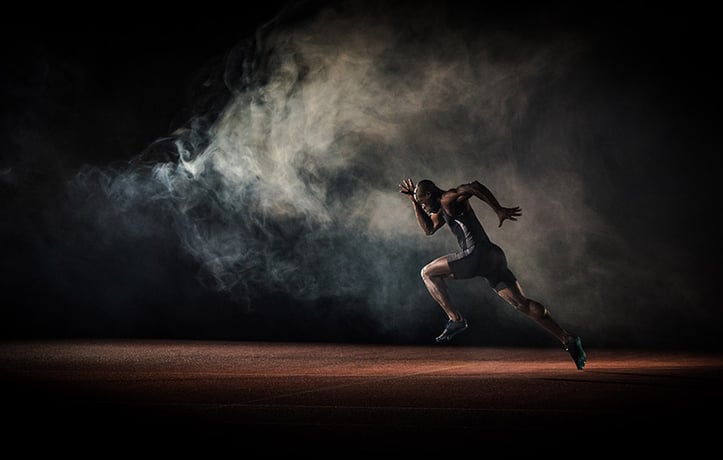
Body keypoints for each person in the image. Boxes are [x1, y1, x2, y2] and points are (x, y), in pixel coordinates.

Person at [398, 178, 586, 370]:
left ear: (429, 195)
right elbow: (429, 229)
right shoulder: (442, 208)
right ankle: (568, 339)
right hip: (493, 256)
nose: (424, 207)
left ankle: (455, 319)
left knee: (427, 273)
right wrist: (413, 202)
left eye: (422, 202)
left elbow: (473, 186)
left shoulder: (447, 198)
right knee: (522, 303)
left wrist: (498, 209)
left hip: (475, 255)